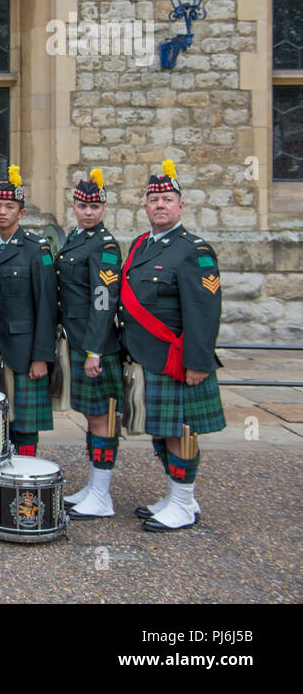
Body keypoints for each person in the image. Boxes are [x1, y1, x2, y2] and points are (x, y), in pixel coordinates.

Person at [119, 159, 224, 532]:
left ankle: (183, 501)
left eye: (167, 198)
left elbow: (204, 311)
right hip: (148, 358)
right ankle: (178, 496)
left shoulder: (195, 250)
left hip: (177, 360)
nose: (160, 205)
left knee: (182, 430)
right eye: (153, 199)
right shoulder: (140, 245)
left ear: (181, 206)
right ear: (145, 207)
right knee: (162, 430)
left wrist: (197, 362)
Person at [57, 168, 125, 520]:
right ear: (74, 206)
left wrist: (95, 349)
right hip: (78, 341)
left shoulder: (105, 245)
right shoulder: (76, 237)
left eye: (94, 206)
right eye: (83, 205)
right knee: (91, 416)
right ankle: (93, 488)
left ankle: (102, 495)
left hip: (95, 345)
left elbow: (104, 298)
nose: (88, 211)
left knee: (102, 420)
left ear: (103, 209)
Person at [0, 165, 57, 457]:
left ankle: (25, 478)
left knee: (25, 425)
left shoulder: (36, 250)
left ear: (21, 213)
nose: (3, 212)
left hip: (25, 352)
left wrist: (41, 357)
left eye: (10, 207)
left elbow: (47, 307)